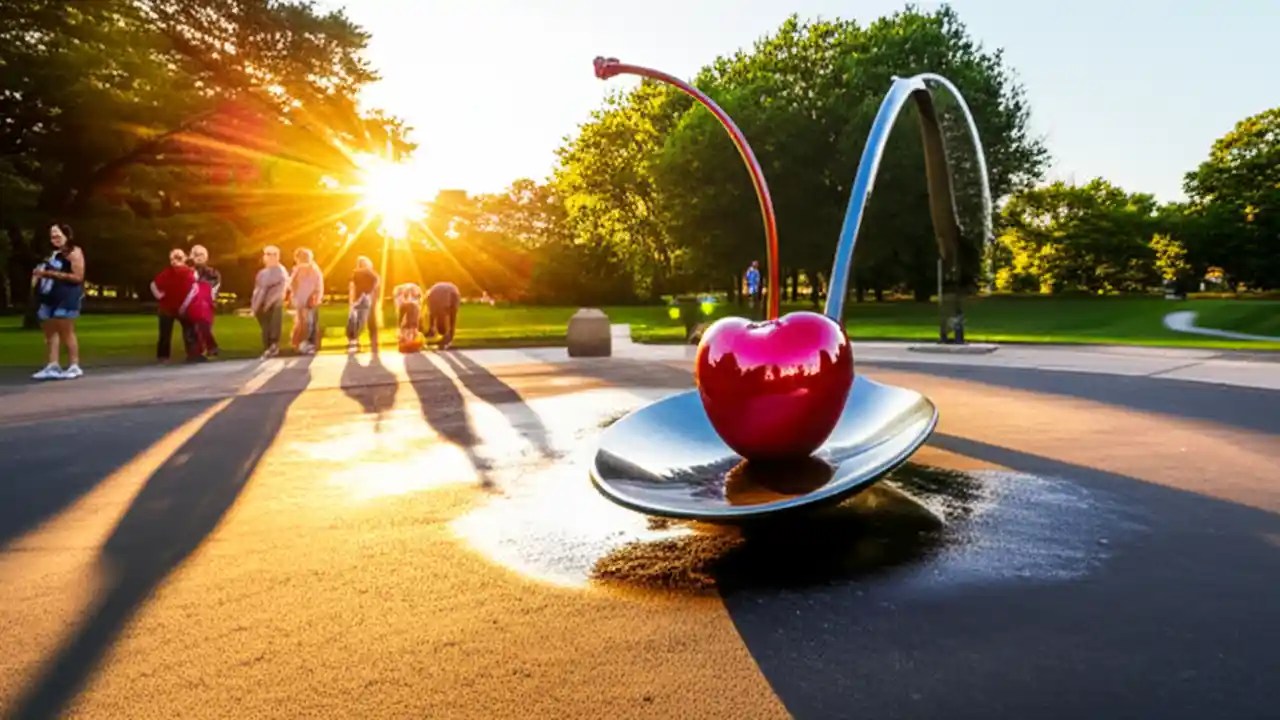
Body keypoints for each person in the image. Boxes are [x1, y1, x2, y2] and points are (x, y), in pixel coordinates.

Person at [30, 223, 86, 380]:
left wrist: (50, 274)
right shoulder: (53, 254)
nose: (54, 239)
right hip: (49, 296)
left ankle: (74, 365)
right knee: (50, 332)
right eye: (52, 236)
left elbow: (78, 277)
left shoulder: (74, 252)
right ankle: (53, 365)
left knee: (66, 331)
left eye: (58, 235)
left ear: (66, 235)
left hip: (67, 296)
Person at [150, 248, 199, 364]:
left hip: (184, 308)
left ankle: (193, 354)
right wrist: (159, 296)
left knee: (190, 331)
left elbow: (195, 289)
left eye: (178, 258)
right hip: (168, 308)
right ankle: (163, 357)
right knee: (165, 334)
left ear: (184, 259)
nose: (175, 261)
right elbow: (153, 284)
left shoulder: (190, 273)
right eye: (173, 258)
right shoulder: (167, 273)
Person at [250, 245, 289, 359]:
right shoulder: (262, 273)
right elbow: (258, 291)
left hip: (274, 303)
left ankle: (273, 346)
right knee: (265, 327)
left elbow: (280, 289)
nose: (270, 257)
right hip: (262, 305)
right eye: (268, 254)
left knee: (274, 325)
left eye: (274, 254)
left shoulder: (280, 271)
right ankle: (268, 348)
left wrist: (269, 303)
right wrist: (255, 306)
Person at [285, 247, 324, 354]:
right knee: (302, 323)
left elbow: (317, 286)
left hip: (308, 299)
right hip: (302, 299)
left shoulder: (312, 269)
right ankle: (299, 344)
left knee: (306, 323)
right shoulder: (300, 269)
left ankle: (302, 344)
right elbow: (291, 285)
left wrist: (315, 296)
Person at [187, 244, 222, 357]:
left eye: (201, 254)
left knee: (203, 325)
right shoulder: (188, 272)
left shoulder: (213, 273)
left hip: (206, 304)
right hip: (191, 305)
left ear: (206, 257)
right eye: (196, 254)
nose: (199, 257)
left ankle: (210, 347)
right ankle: (198, 351)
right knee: (192, 330)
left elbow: (211, 288)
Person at [346, 256, 380, 354]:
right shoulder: (370, 275)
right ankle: (371, 345)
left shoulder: (368, 275)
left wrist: (352, 302)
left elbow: (376, 289)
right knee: (363, 322)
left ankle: (356, 343)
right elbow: (352, 288)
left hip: (363, 300)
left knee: (359, 322)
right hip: (363, 300)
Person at [425, 281, 461, 350]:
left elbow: (451, 315)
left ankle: (449, 335)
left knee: (451, 313)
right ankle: (449, 335)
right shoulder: (434, 310)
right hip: (447, 290)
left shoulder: (434, 309)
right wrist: (431, 328)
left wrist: (431, 329)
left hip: (447, 291)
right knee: (451, 313)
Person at [393, 282, 424, 353]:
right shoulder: (415, 290)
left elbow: (399, 311)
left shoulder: (399, 290)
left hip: (407, 303)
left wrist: (399, 325)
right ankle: (410, 342)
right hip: (413, 304)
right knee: (411, 326)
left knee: (407, 326)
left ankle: (408, 342)